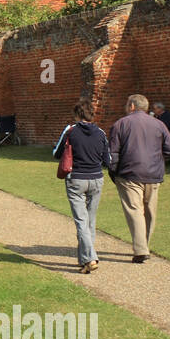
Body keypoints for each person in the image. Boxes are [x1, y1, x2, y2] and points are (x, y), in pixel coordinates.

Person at [107, 94, 170, 263]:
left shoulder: (120, 124)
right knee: (150, 212)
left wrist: (113, 172)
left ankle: (141, 249)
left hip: (129, 173)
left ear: (131, 106)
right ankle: (143, 246)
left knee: (135, 210)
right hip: (153, 174)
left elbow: (113, 152)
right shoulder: (159, 124)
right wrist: (157, 160)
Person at [53, 100, 111, 273]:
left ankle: (90, 258)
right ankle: (84, 260)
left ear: (77, 114)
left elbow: (56, 153)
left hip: (76, 179)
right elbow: (107, 160)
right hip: (96, 179)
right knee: (90, 220)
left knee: (81, 221)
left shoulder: (70, 131)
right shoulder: (100, 133)